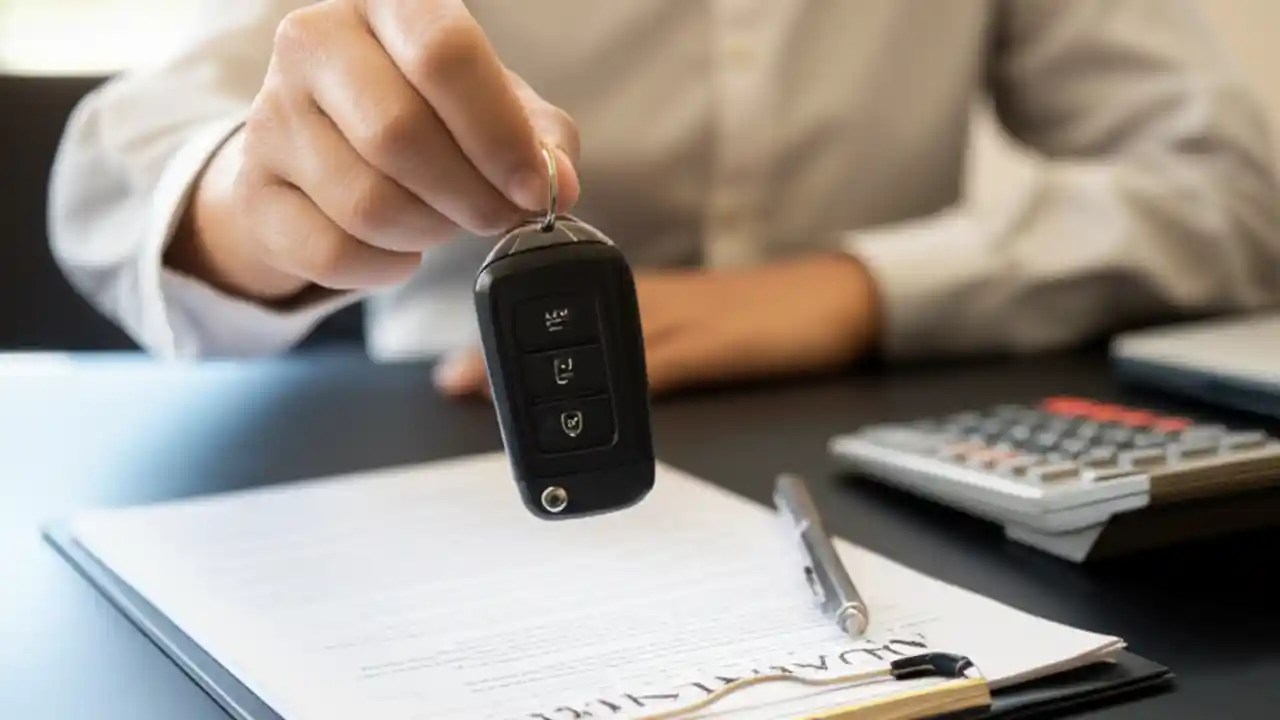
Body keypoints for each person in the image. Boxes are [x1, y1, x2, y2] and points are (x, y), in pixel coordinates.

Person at [49, 0, 1280, 398]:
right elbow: (120, 160)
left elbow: (1228, 195)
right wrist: (257, 212)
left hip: (875, 427)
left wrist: (856, 288)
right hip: (443, 434)